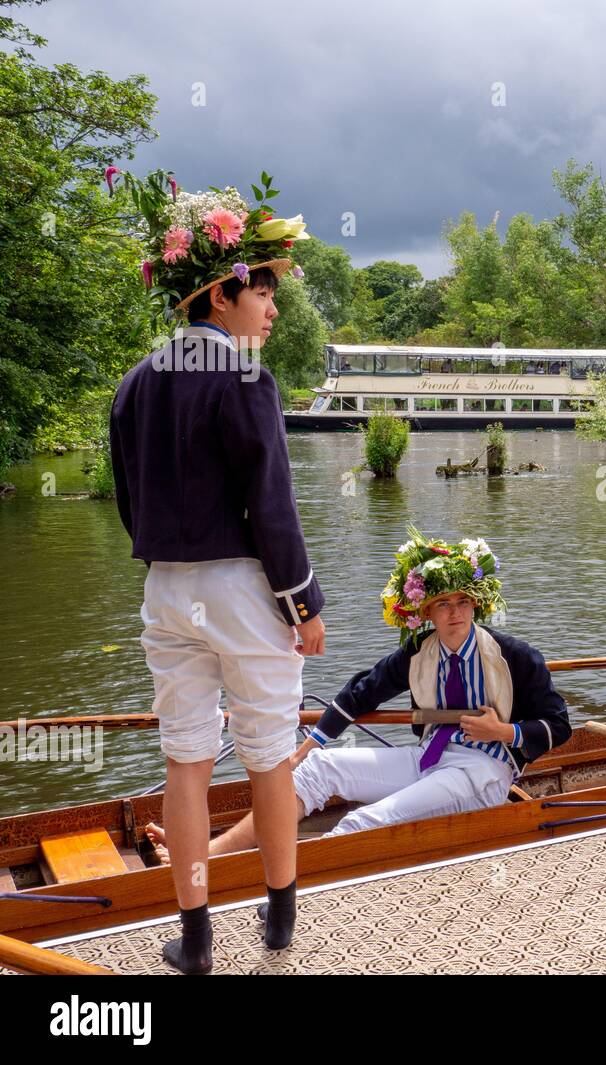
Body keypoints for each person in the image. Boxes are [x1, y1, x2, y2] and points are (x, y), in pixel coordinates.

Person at [107, 167, 321, 973]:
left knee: (185, 761)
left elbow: (129, 502)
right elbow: (273, 506)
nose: (271, 306)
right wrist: (304, 603)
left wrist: (170, 555)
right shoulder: (243, 375)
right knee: (269, 754)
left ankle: (195, 938)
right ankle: (277, 923)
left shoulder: (133, 385)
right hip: (241, 586)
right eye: (263, 291)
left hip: (166, 586)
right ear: (221, 294)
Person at [147, 534, 570, 868]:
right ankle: (213, 854)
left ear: (476, 604)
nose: (454, 613)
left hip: (485, 771)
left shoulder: (514, 656)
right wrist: (307, 748)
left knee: (365, 821)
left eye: (462, 602)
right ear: (425, 612)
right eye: (442, 604)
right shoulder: (419, 652)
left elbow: (559, 724)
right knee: (316, 771)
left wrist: (505, 731)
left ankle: (289, 890)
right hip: (429, 759)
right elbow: (359, 693)